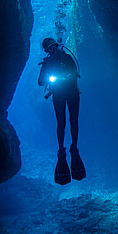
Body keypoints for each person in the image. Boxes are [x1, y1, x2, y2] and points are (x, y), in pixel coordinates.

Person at [38, 38, 86, 184]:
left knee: (72, 121)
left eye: (53, 46)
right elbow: (40, 82)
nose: (52, 50)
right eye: (49, 48)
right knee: (62, 123)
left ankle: (74, 147)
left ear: (57, 46)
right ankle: (61, 149)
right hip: (60, 94)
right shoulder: (47, 63)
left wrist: (65, 77)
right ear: (46, 50)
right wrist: (49, 78)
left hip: (71, 92)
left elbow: (76, 73)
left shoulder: (67, 57)